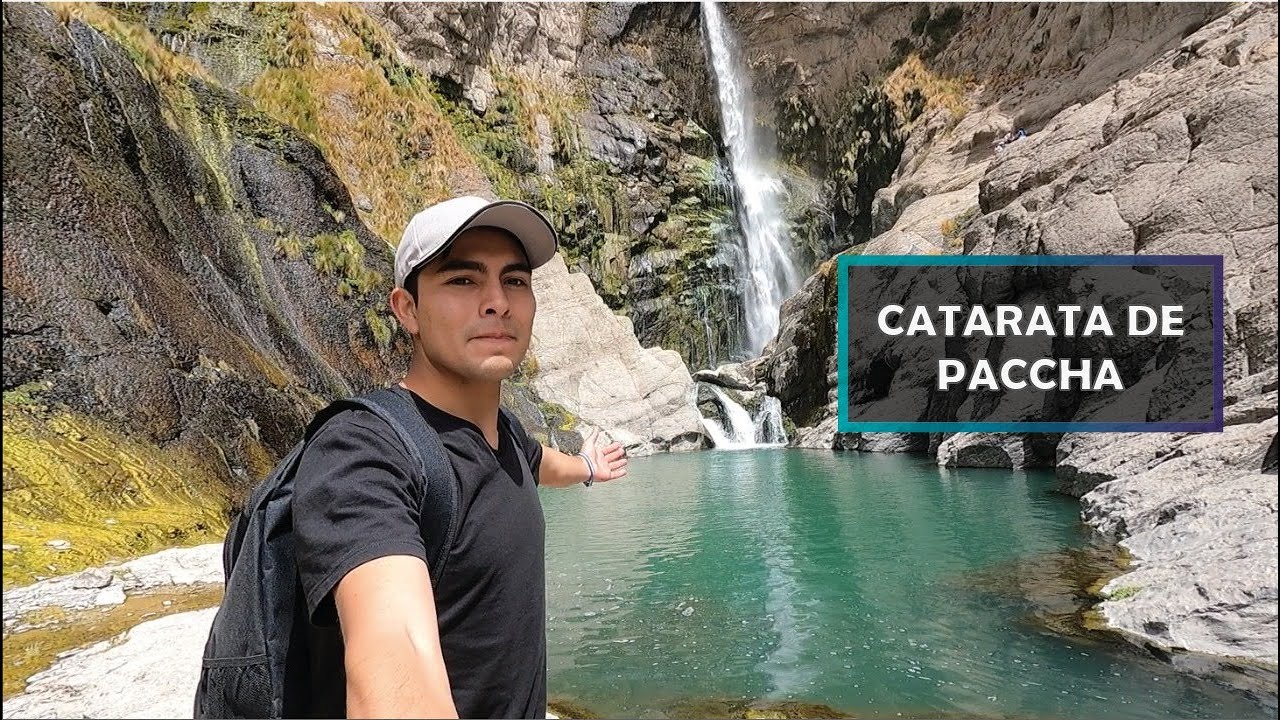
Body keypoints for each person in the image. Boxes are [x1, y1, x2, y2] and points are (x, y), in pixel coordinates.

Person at [290, 196, 629, 718]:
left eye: (515, 280)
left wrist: (589, 469)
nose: (497, 301)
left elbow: (541, 466)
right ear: (407, 310)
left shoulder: (506, 434)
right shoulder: (363, 451)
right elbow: (393, 643)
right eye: (463, 280)